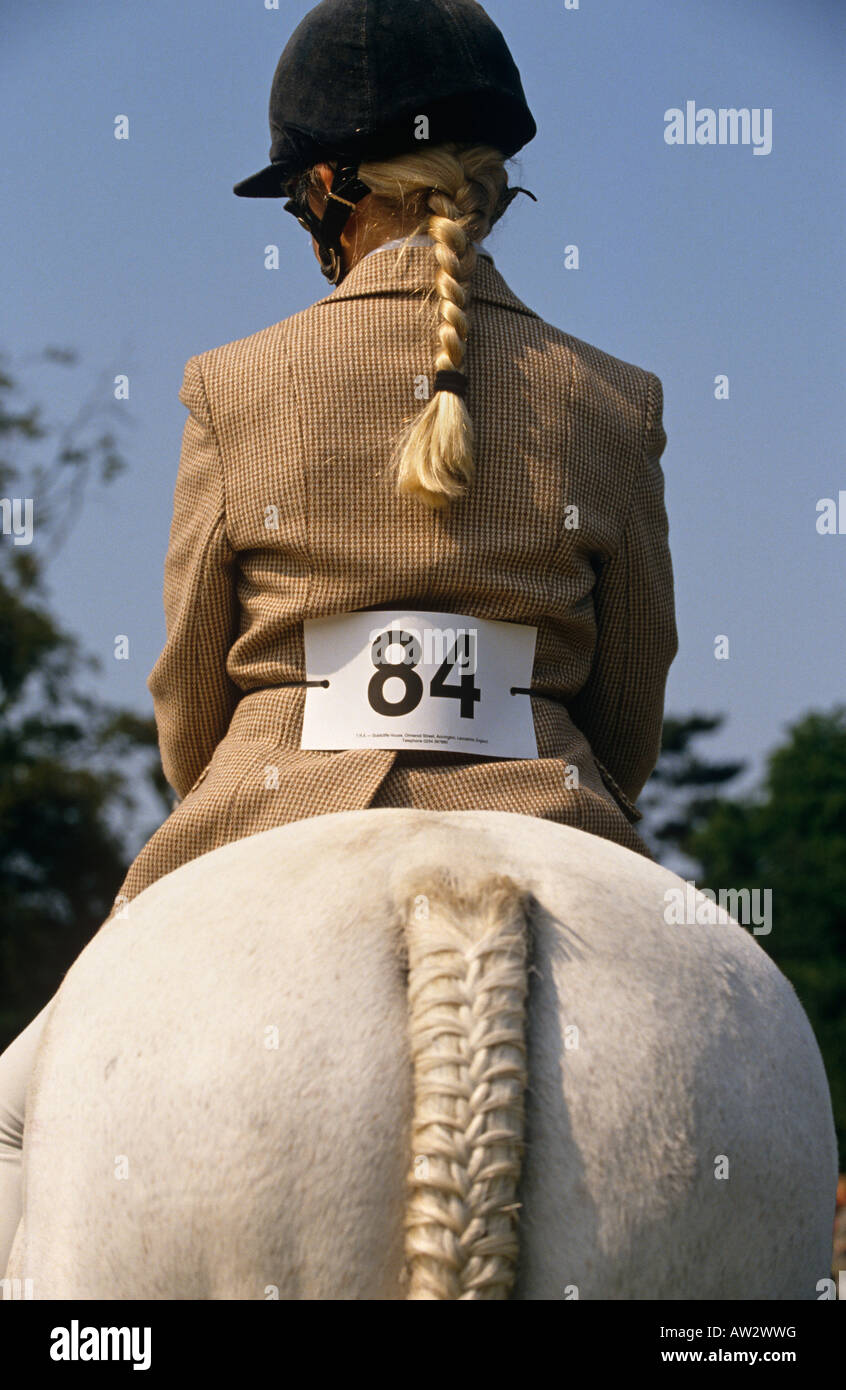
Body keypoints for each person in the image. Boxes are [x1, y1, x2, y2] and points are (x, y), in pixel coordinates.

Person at [0, 0, 678, 1275]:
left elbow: (192, 699)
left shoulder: (233, 382)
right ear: (495, 179)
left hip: (270, 806)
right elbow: (631, 704)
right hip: (549, 800)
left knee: (9, 1116)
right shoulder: (615, 399)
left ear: (323, 190)